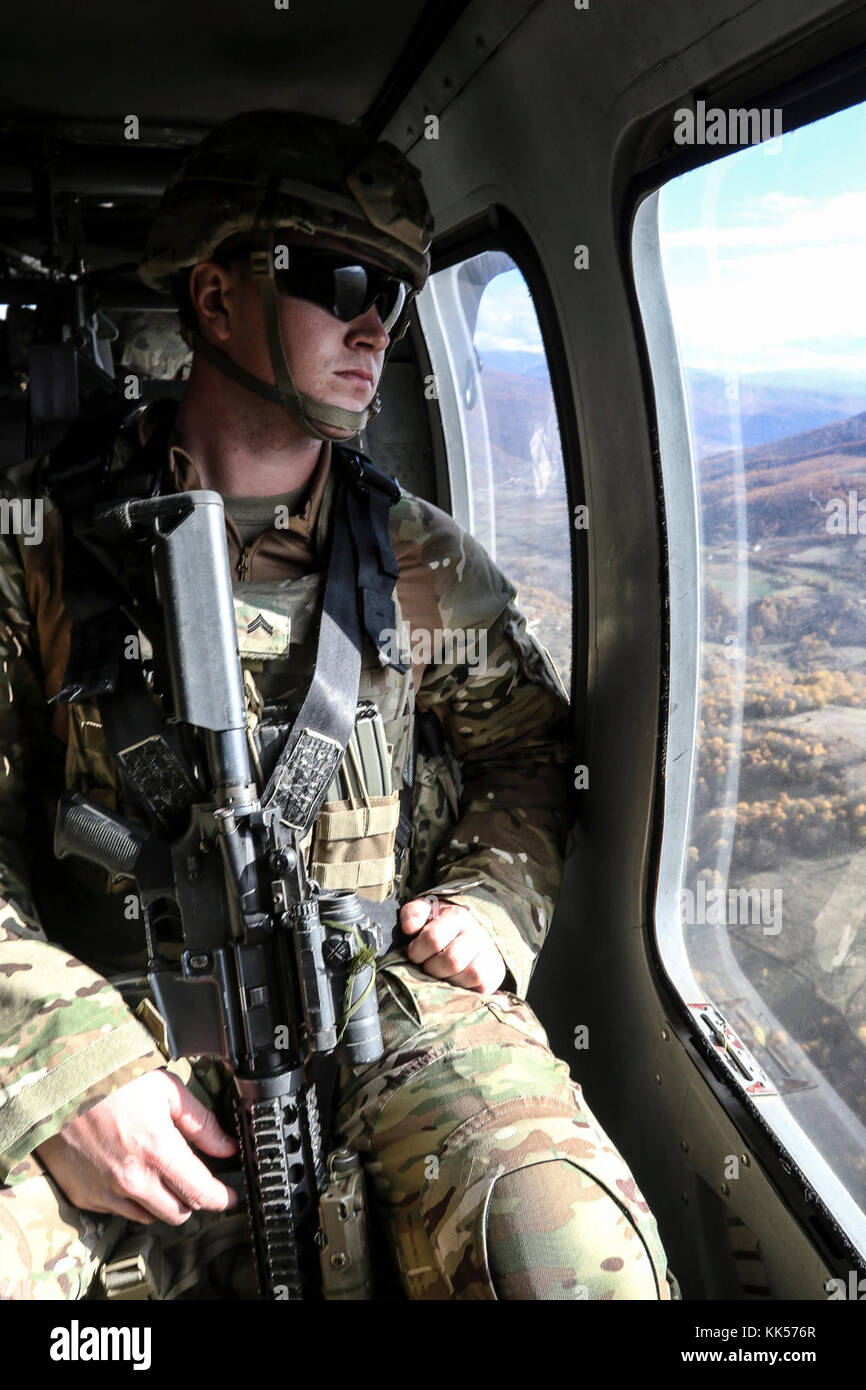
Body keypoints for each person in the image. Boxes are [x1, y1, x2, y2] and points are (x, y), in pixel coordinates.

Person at [0, 110, 671, 1301]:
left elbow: (532, 753)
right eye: (338, 277)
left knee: (573, 1259)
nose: (375, 322)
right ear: (213, 299)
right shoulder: (36, 551)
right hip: (114, 1008)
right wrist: (59, 1053)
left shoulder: (422, 562)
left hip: (377, 1000)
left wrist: (486, 899)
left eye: (398, 297)